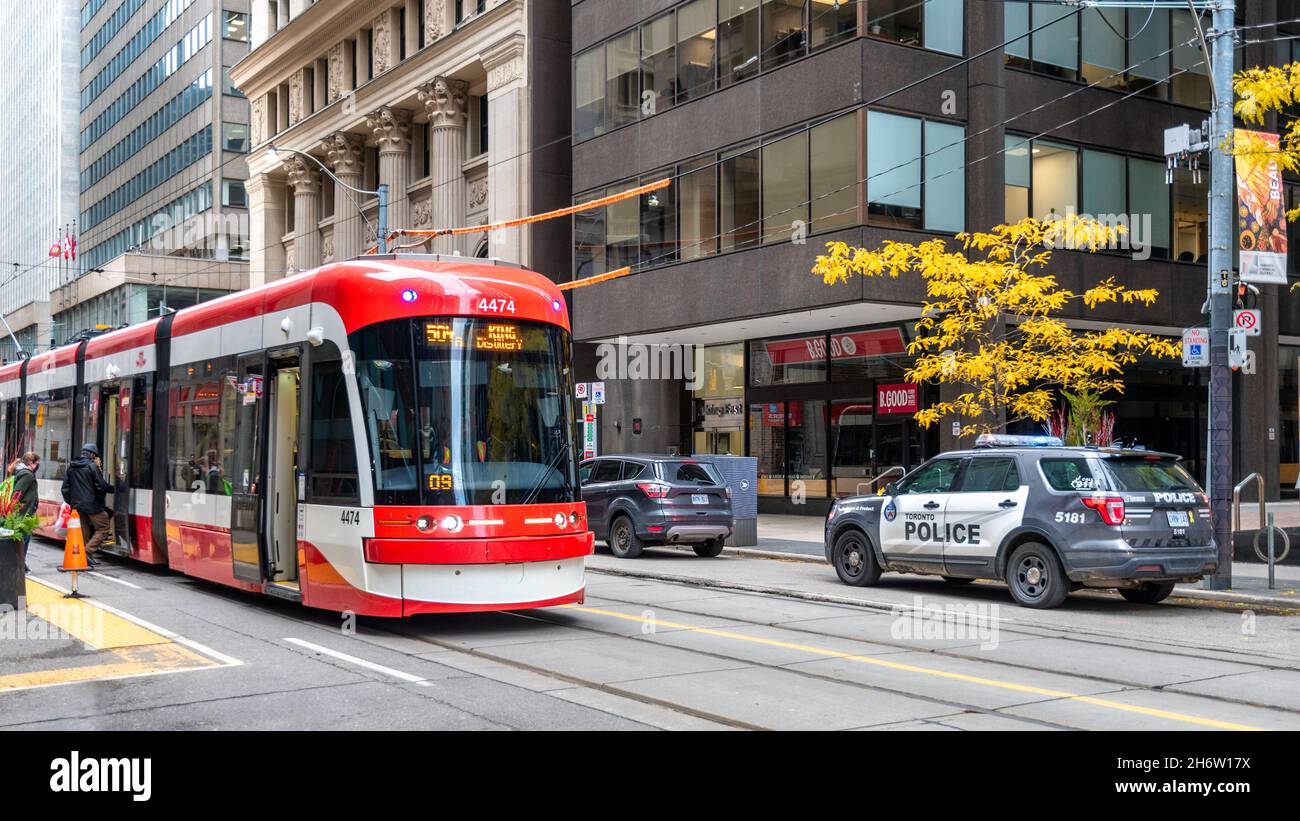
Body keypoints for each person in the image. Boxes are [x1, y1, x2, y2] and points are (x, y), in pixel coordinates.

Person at [61, 444, 111, 566]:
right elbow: (102, 486)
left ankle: (83, 559)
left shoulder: (71, 467)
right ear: (92, 455)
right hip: (92, 505)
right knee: (103, 527)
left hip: (77, 507)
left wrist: (72, 502)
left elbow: (65, 489)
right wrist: (114, 490)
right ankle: (86, 552)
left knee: (84, 532)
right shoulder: (92, 466)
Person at [12, 452, 38, 573]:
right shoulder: (27, 475)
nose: (38, 466)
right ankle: (20, 566)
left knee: (22, 539)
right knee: (24, 539)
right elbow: (17, 493)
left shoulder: (23, 473)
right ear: (31, 463)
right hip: (24, 513)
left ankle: (21, 565)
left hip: (23, 512)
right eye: (37, 463)